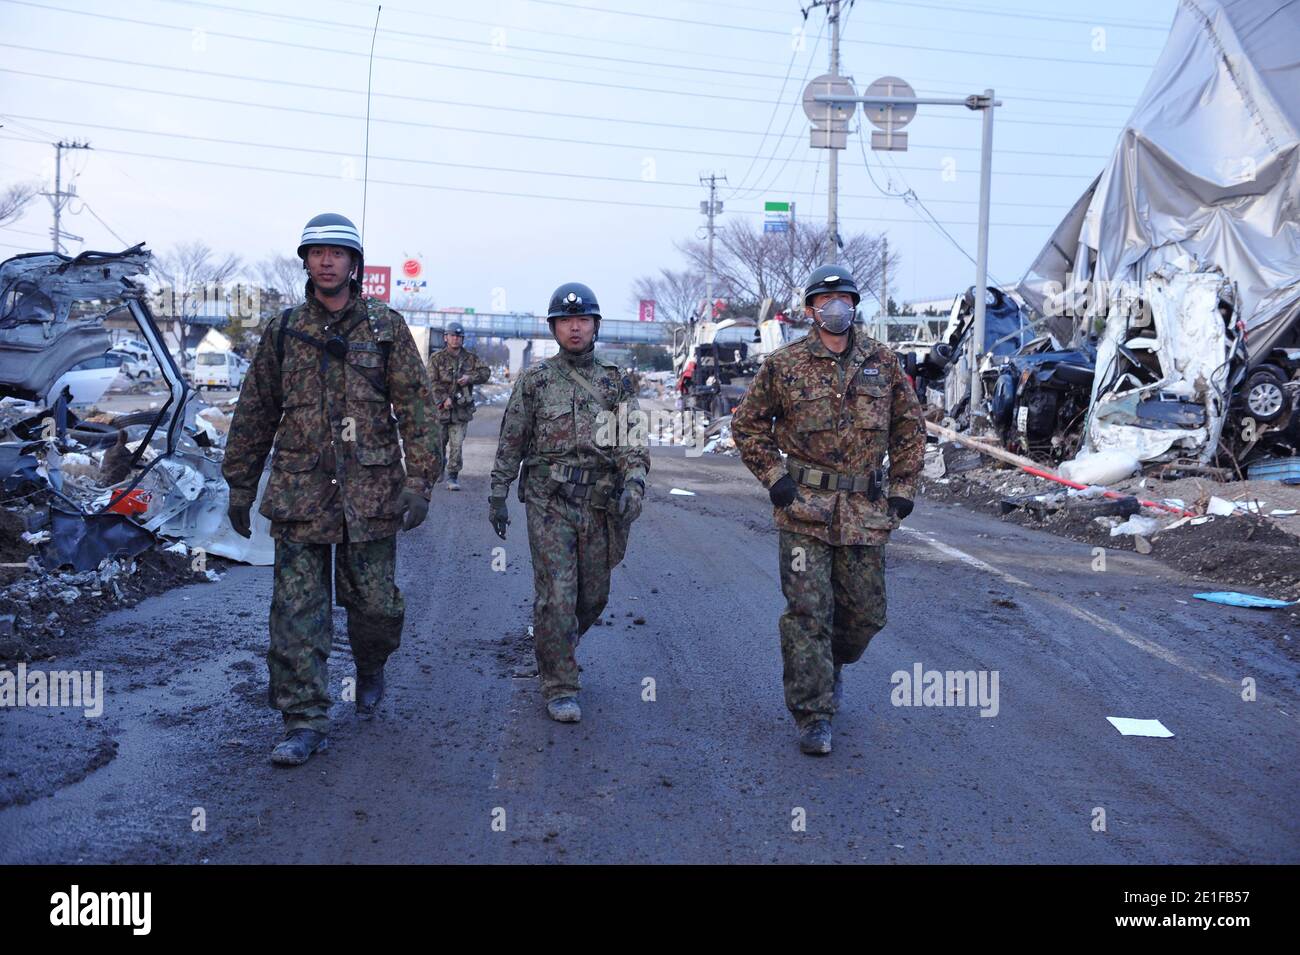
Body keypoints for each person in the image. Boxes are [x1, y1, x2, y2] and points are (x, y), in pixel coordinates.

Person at [222, 212, 439, 766]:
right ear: (305, 262)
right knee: (296, 613)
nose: (325, 261)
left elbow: (417, 408)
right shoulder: (282, 331)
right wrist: (240, 485)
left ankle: (371, 663)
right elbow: (254, 412)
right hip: (301, 495)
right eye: (316, 252)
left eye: (336, 253)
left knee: (376, 607)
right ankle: (303, 720)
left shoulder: (385, 328)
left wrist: (420, 483)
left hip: (371, 494)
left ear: (353, 264)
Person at [731, 264, 926, 756]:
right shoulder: (784, 364)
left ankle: (831, 663)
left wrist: (903, 485)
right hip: (804, 510)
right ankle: (813, 714)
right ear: (810, 309)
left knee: (865, 615)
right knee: (808, 613)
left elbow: (909, 428)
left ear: (856, 306)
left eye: (844, 299)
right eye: (825, 300)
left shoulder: (883, 362)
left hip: (865, 509)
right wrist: (774, 480)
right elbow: (747, 426)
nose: (835, 308)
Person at [487, 282, 649, 723]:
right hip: (549, 501)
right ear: (553, 329)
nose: (574, 328)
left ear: (595, 326)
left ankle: (555, 644)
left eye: (582, 321)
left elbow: (632, 442)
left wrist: (634, 485)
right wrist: (498, 493)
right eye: (565, 321)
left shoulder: (615, 382)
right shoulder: (535, 381)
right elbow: (511, 440)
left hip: (599, 504)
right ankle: (560, 684)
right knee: (557, 593)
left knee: (593, 595)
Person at [426, 321, 491, 491]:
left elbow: (486, 373)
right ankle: (439, 467)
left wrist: (471, 378)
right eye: (453, 336)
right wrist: (443, 398)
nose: (456, 339)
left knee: (457, 444)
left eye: (459, 337)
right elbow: (431, 382)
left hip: (461, 410)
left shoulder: (471, 358)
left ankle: (453, 476)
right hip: (441, 410)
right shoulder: (436, 359)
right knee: (438, 443)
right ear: (446, 338)